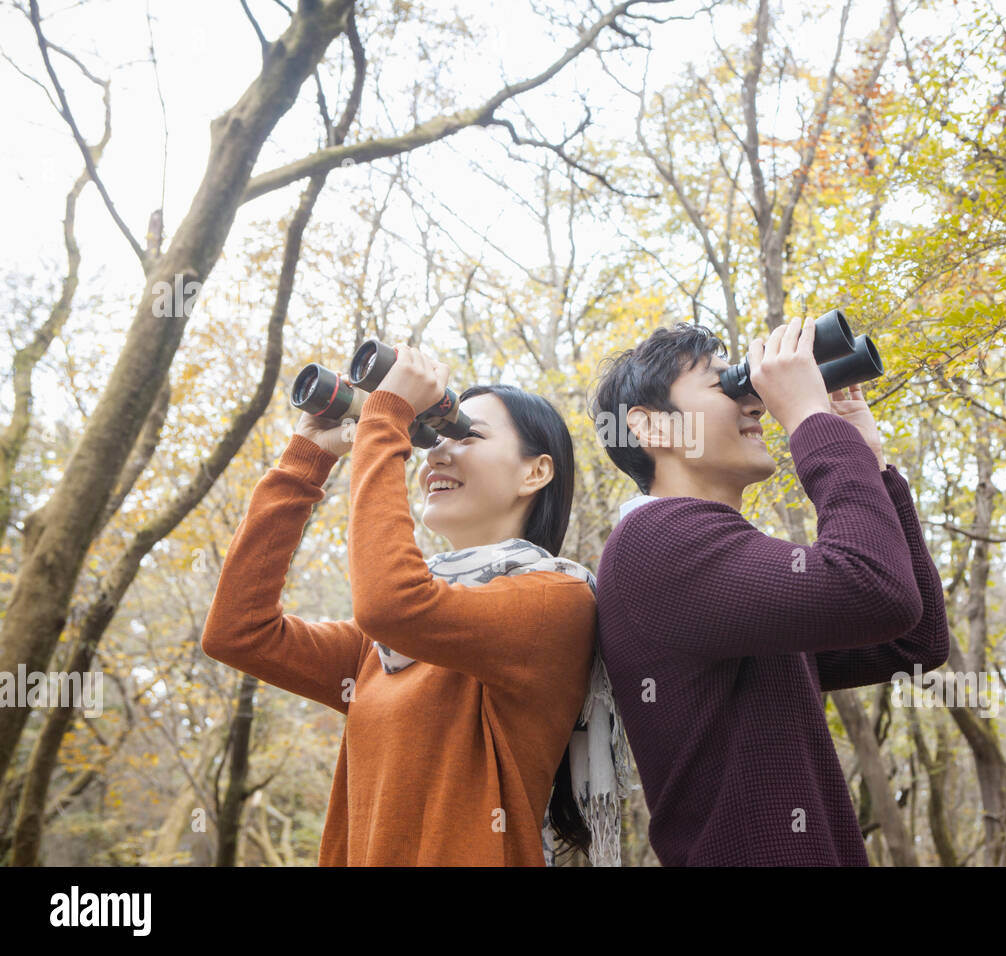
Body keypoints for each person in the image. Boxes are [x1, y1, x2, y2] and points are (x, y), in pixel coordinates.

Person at [202, 345, 630, 865]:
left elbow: (391, 604)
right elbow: (238, 632)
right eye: (435, 437)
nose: (436, 454)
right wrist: (308, 456)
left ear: (535, 473)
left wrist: (386, 419)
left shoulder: (555, 602)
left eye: (465, 434)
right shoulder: (384, 649)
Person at [589, 318, 949, 865]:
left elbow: (912, 643)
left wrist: (868, 461)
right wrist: (807, 417)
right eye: (727, 383)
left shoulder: (712, 561)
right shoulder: (656, 541)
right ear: (650, 427)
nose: (755, 403)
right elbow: (874, 588)